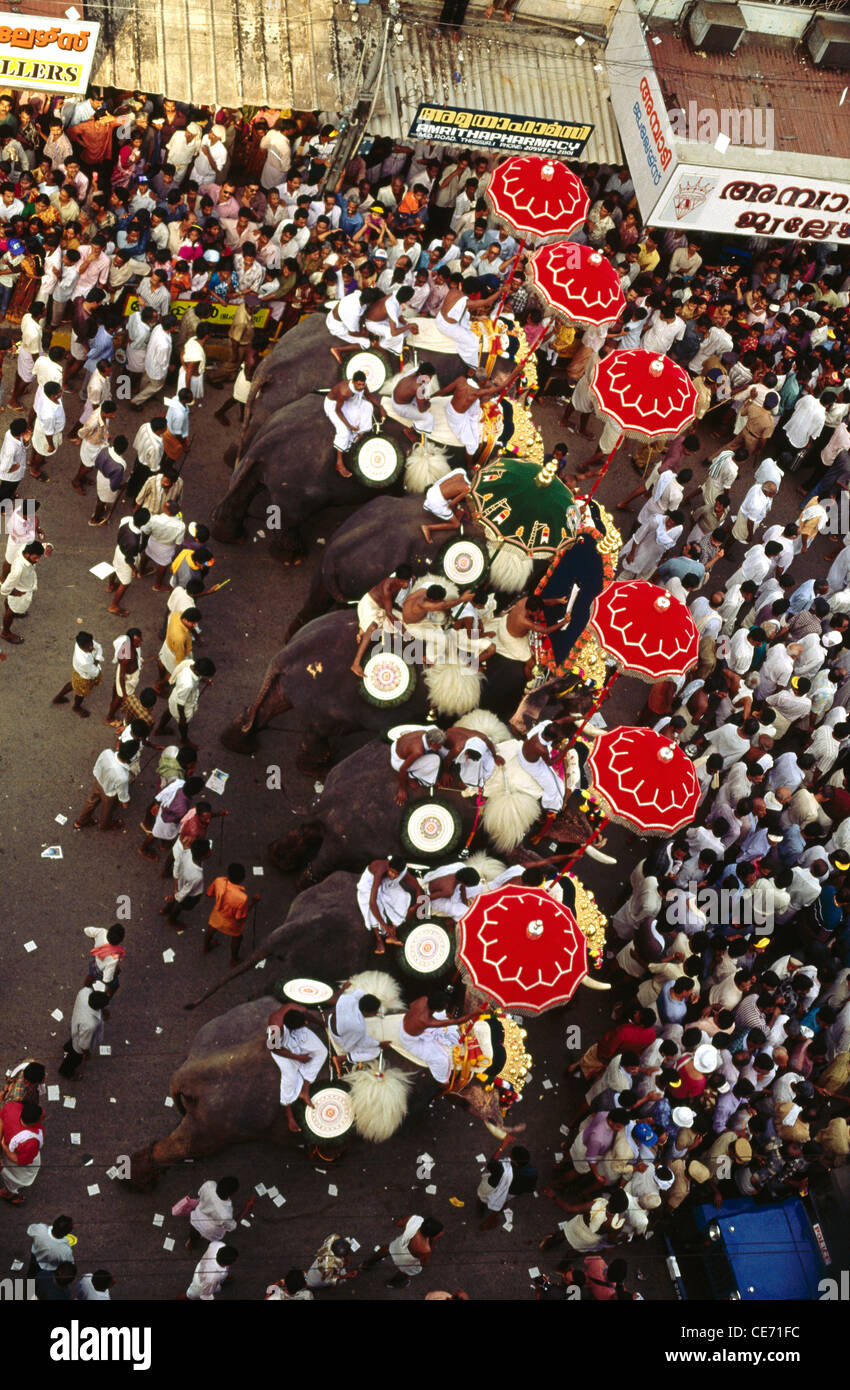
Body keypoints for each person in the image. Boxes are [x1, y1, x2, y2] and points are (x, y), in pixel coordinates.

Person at [265, 1005, 328, 1133]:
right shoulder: (275, 1027)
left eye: (304, 1022)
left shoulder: (296, 1009)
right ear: (289, 1026)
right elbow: (274, 1048)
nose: (306, 1023)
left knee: (322, 1051)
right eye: (303, 1024)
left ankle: (305, 1089)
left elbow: (306, 1017)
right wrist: (297, 1057)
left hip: (296, 1032)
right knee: (290, 1077)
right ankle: (289, 1115)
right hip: (281, 1045)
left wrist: (322, 1023)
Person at [323, 370, 382, 478]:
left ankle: (359, 435)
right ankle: (339, 463)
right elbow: (338, 411)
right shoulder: (345, 392)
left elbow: (369, 396)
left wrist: (380, 407)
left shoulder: (362, 386)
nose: (361, 387)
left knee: (368, 406)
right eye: (358, 384)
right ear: (353, 382)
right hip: (334, 406)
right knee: (344, 431)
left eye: (363, 384)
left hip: (349, 402)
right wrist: (349, 426)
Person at [361, 1214, 445, 1288]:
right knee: (406, 1272)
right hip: (406, 1261)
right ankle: (392, 1283)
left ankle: (366, 1265)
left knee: (385, 1249)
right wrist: (433, 1241)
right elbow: (424, 1264)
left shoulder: (415, 1219)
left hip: (398, 1246)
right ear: (431, 1235)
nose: (442, 1233)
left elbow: (399, 1223)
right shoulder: (425, 1249)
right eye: (439, 1233)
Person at [356, 856, 419, 953]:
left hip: (385, 883)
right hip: (369, 884)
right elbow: (372, 902)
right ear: (388, 866)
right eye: (391, 872)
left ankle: (392, 934)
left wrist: (417, 906)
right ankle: (379, 941)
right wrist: (384, 925)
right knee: (375, 905)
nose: (393, 875)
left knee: (403, 897)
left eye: (396, 874)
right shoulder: (380, 869)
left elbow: (418, 888)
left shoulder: (402, 872)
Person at [73, 739, 138, 832]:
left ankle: (80, 821)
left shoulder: (107, 752)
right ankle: (104, 825)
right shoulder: (123, 776)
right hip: (109, 793)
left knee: (91, 801)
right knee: (107, 810)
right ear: (131, 757)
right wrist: (126, 802)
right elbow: (123, 795)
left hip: (99, 781)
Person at [203, 863, 260, 964]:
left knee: (212, 927)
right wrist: (253, 902)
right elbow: (240, 916)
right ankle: (233, 959)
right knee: (237, 937)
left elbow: (209, 893)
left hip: (217, 914)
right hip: (232, 922)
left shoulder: (219, 881)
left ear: (228, 874)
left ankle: (206, 946)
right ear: (242, 879)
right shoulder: (242, 898)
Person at [437, 369, 500, 456]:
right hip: (456, 417)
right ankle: (469, 464)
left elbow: (444, 391)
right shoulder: (475, 395)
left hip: (451, 407)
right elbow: (473, 421)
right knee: (472, 445)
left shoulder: (462, 381)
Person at [58, 986, 109, 1078]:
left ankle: (67, 1048)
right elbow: (83, 1045)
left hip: (76, 1026)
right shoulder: (91, 1024)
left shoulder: (84, 992)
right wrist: (86, 1054)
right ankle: (66, 1072)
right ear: (99, 1008)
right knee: (74, 1059)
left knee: (73, 1040)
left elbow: (87, 984)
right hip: (79, 1041)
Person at [0, 540, 44, 643]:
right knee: (11, 612)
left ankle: (11, 610)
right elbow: (4, 589)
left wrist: (48, 546)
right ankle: (5, 633)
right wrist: (12, 593)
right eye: (35, 558)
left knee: (11, 606)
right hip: (21, 592)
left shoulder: (24, 548)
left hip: (23, 586)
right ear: (28, 554)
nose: (37, 560)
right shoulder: (18, 570)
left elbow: (41, 546)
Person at [52, 632, 104, 718]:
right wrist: (97, 661)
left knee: (73, 684)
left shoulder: (81, 642)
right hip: (84, 676)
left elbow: (98, 646)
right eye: (88, 647)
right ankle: (76, 707)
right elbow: (94, 672)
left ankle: (57, 698)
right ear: (82, 646)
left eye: (91, 644)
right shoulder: (83, 661)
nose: (91, 647)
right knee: (81, 693)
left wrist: (96, 658)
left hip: (78, 671)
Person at [328, 986, 381, 1063]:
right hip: (338, 1038)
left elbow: (359, 992)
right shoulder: (359, 1027)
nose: (376, 1013)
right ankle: (342, 1059)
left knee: (360, 991)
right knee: (375, 1051)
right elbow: (353, 1044)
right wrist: (379, 1043)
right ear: (367, 1012)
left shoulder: (347, 998)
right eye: (375, 1012)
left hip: (331, 1020)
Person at [421, 466, 471, 542]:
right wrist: (456, 512)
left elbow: (442, 480)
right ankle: (428, 527)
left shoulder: (460, 471)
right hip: (437, 502)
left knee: (455, 506)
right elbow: (451, 504)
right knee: (456, 525)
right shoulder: (467, 488)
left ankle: (430, 504)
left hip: (433, 490)